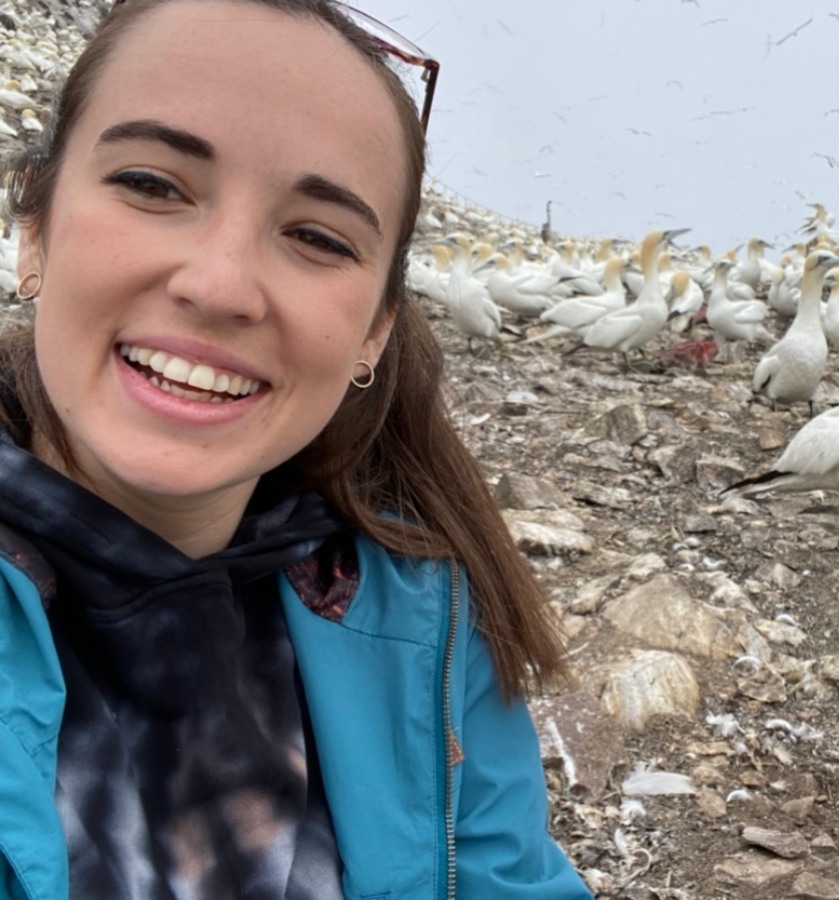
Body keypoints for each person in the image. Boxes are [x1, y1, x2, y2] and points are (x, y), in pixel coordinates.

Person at [0, 0, 591, 896]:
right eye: (153, 185)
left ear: (374, 332)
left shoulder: (424, 609)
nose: (221, 285)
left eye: (318, 237)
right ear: (32, 227)